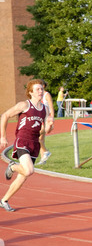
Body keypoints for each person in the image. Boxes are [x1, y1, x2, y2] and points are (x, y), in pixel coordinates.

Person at [0, 79, 54, 212]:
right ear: (30, 92)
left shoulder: (45, 109)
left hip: (34, 143)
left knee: (23, 176)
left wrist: (49, 127)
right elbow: (5, 115)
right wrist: (3, 136)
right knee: (29, 170)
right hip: (22, 141)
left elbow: (42, 130)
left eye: (42, 89)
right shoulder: (24, 105)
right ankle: (12, 166)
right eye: (38, 89)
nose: (41, 91)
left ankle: (4, 200)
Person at [37, 80, 55, 165]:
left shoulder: (47, 95)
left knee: (38, 138)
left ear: (43, 86)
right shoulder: (37, 95)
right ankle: (43, 159)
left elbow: (51, 106)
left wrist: (52, 118)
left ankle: (46, 152)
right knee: (41, 139)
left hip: (46, 118)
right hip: (40, 118)